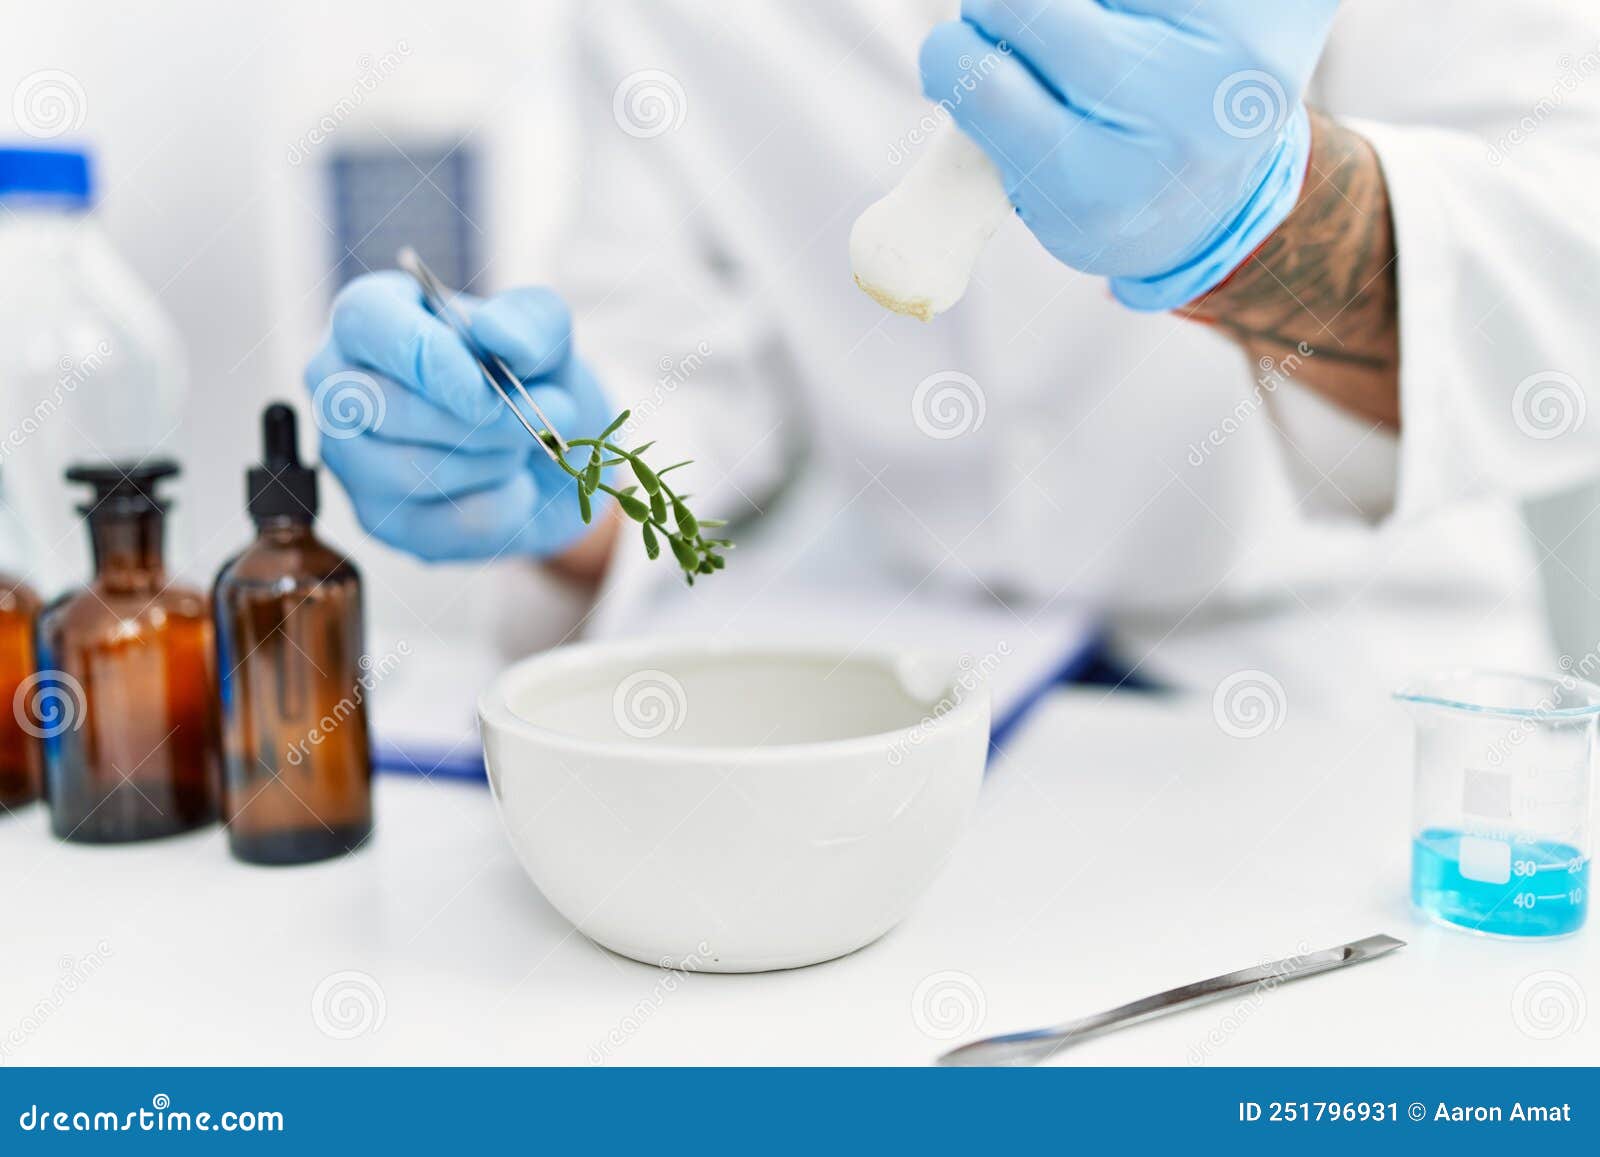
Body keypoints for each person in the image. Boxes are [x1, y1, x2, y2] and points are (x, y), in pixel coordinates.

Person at [304, 0, 1600, 711]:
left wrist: (1274, 223)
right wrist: (542, 464)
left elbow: (1567, 278)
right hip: (921, 694)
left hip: (1340, 689)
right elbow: (673, 367)